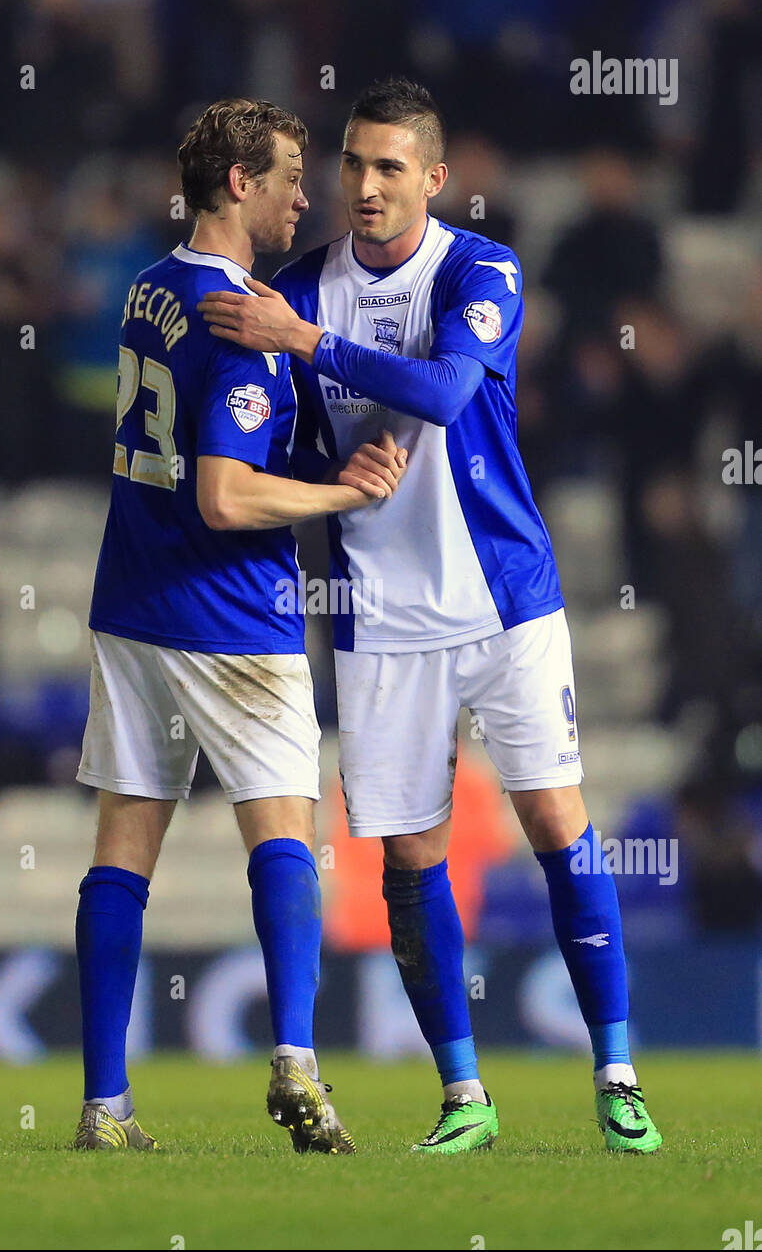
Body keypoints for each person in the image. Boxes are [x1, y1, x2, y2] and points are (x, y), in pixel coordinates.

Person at [198, 77, 662, 1156]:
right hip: (377, 619)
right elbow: (293, 448)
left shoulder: (477, 269)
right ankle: (464, 1097)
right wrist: (327, 464)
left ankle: (617, 1073)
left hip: (502, 599)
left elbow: (449, 393)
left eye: (388, 167)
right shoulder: (301, 285)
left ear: (433, 179)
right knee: (412, 859)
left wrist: (305, 345)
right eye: (353, 163)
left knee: (553, 819)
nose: (364, 185)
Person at [73, 97, 406, 1153]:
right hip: (229, 612)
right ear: (238, 185)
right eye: (289, 177)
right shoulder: (238, 321)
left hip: (130, 601)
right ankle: (297, 1063)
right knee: (288, 839)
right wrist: (339, 497)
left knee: (123, 851)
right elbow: (225, 495)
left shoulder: (149, 290)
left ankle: (104, 1106)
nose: (305, 197)